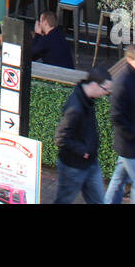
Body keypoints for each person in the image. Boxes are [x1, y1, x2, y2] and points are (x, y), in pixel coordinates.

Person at [52, 67, 112, 204]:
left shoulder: (86, 100)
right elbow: (60, 138)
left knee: (98, 200)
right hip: (73, 167)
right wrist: (83, 151)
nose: (106, 93)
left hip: (90, 163)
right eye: (105, 90)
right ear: (94, 85)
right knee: (64, 200)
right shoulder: (75, 108)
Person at [105, 44, 135, 204]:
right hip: (130, 145)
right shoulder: (124, 83)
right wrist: (133, 136)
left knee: (119, 181)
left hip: (134, 143)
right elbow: (116, 117)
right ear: (130, 60)